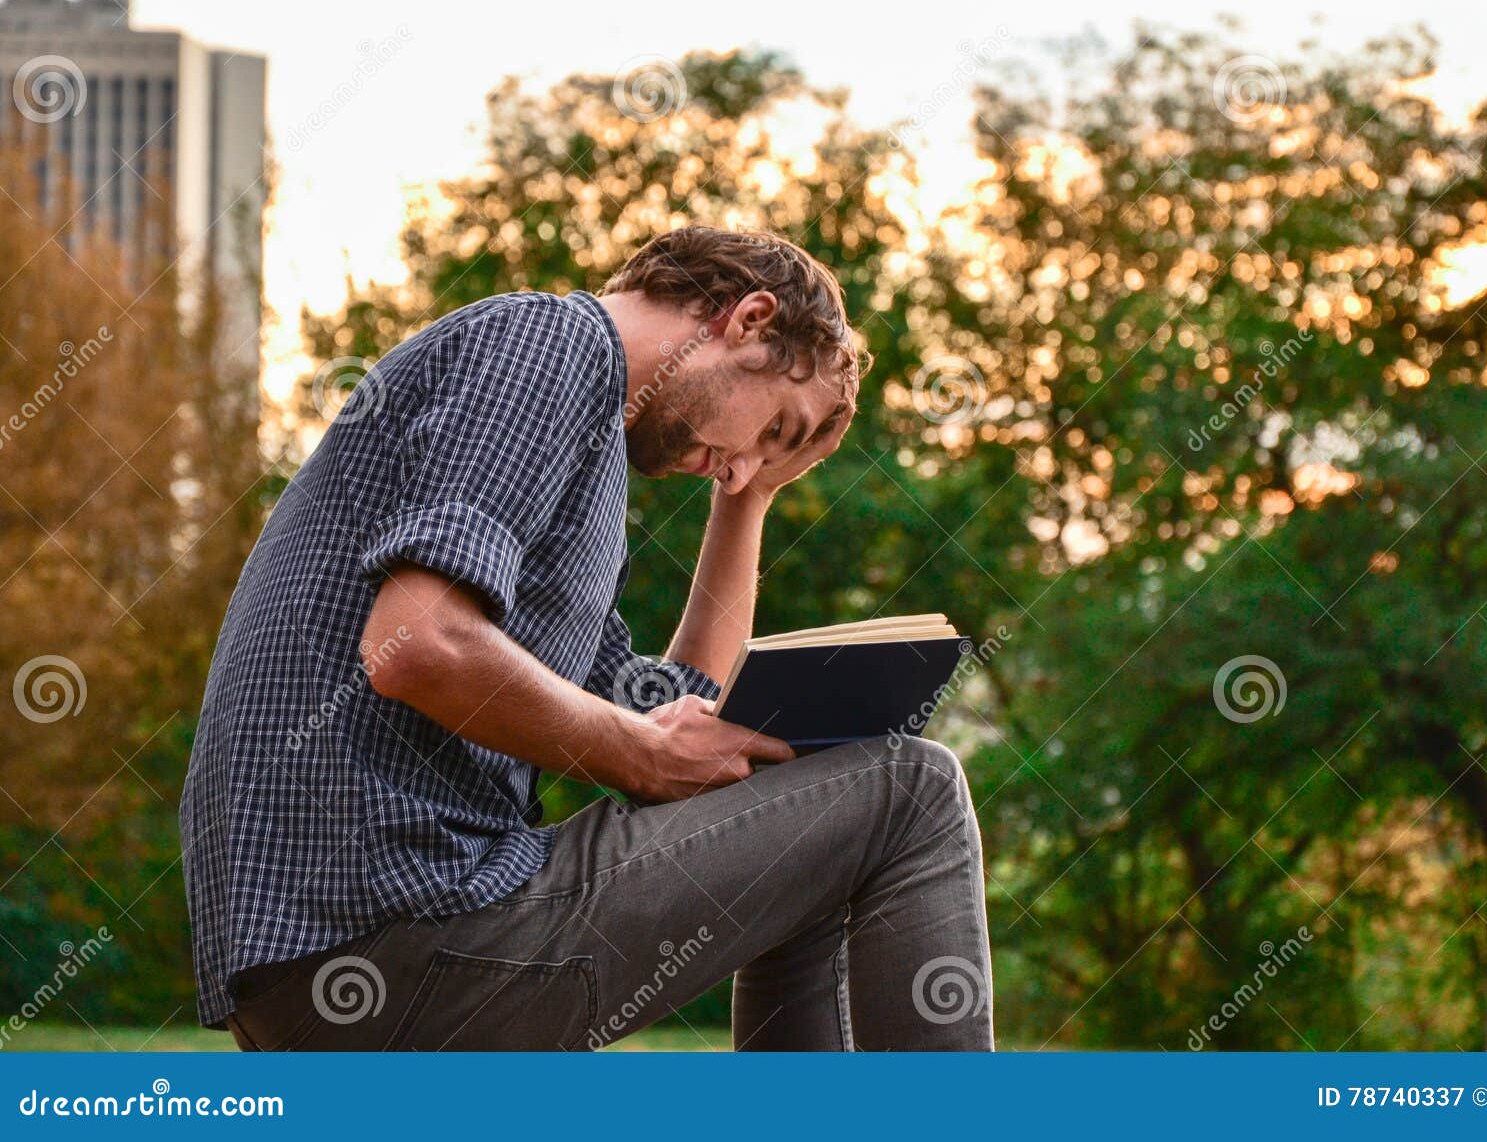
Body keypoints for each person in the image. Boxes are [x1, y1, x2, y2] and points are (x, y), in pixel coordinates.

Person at [180, 225, 993, 1051]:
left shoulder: (582, 461)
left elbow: (685, 715)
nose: (743, 464)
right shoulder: (548, 343)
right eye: (776, 429)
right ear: (748, 321)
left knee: (810, 812)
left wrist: (746, 504)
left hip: (363, 955)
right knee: (909, 790)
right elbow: (419, 643)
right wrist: (639, 753)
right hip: (396, 927)